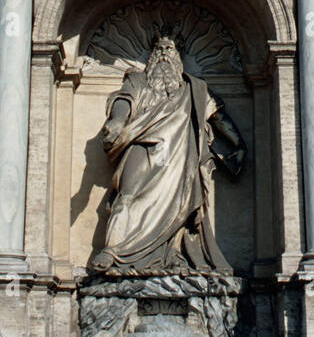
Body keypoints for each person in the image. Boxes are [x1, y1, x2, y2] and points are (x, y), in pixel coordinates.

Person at [90, 35, 245, 274]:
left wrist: (237, 145)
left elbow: (217, 117)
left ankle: (168, 255)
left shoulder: (195, 89)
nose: (163, 53)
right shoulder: (138, 80)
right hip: (142, 146)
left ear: (178, 56)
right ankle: (113, 250)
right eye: (159, 48)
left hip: (180, 159)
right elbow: (124, 100)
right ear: (152, 55)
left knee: (178, 209)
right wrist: (118, 121)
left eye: (168, 49)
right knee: (126, 196)